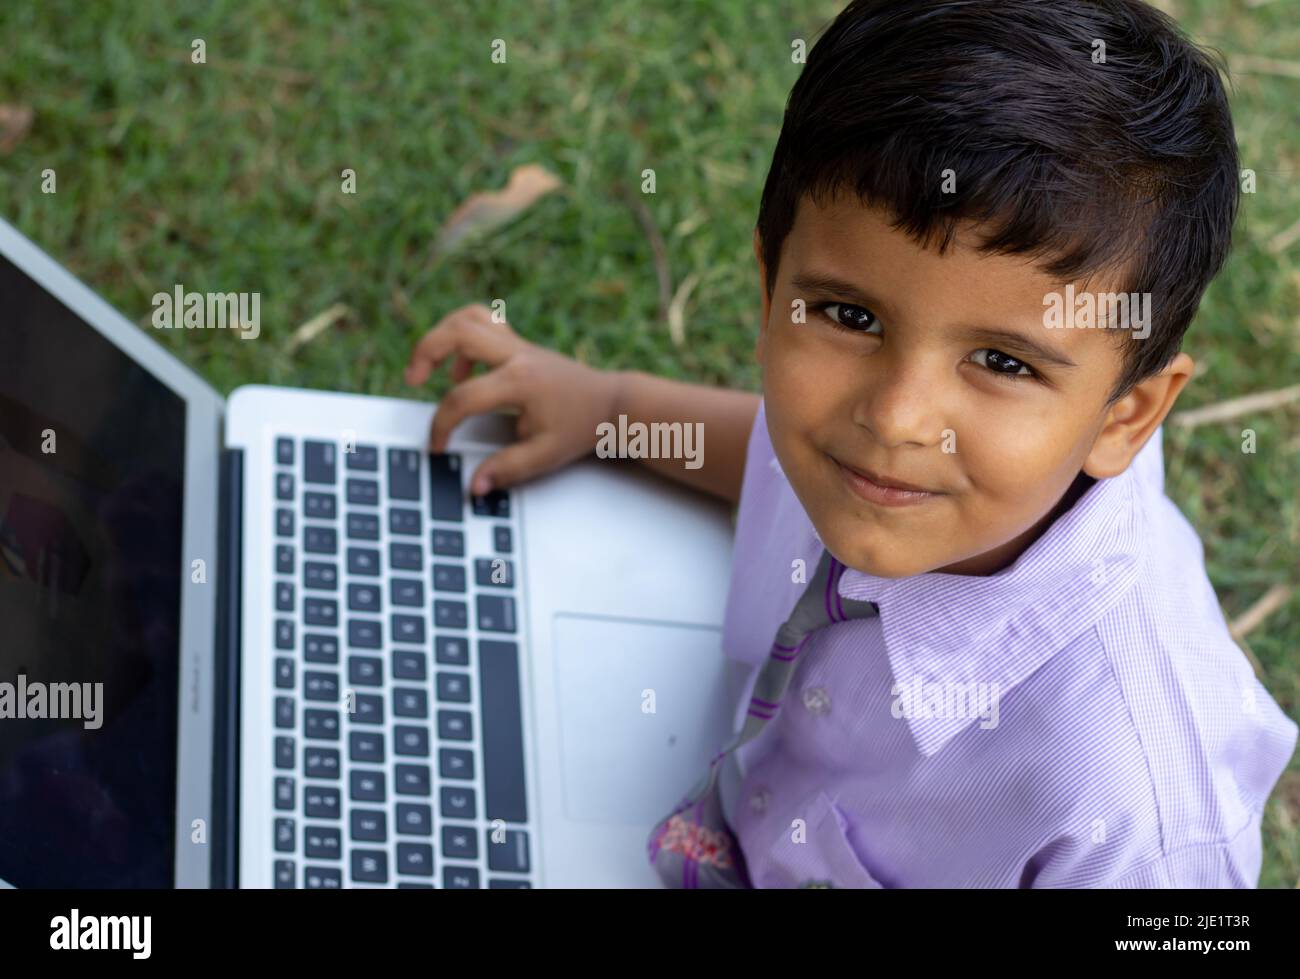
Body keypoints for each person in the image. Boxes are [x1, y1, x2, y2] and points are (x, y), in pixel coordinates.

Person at [403, 0, 1297, 887]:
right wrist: (611, 407)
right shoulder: (879, 464)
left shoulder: (1136, 817)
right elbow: (764, 453)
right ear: (769, 288)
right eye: (849, 315)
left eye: (1002, 362)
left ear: (1125, 417)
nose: (897, 417)